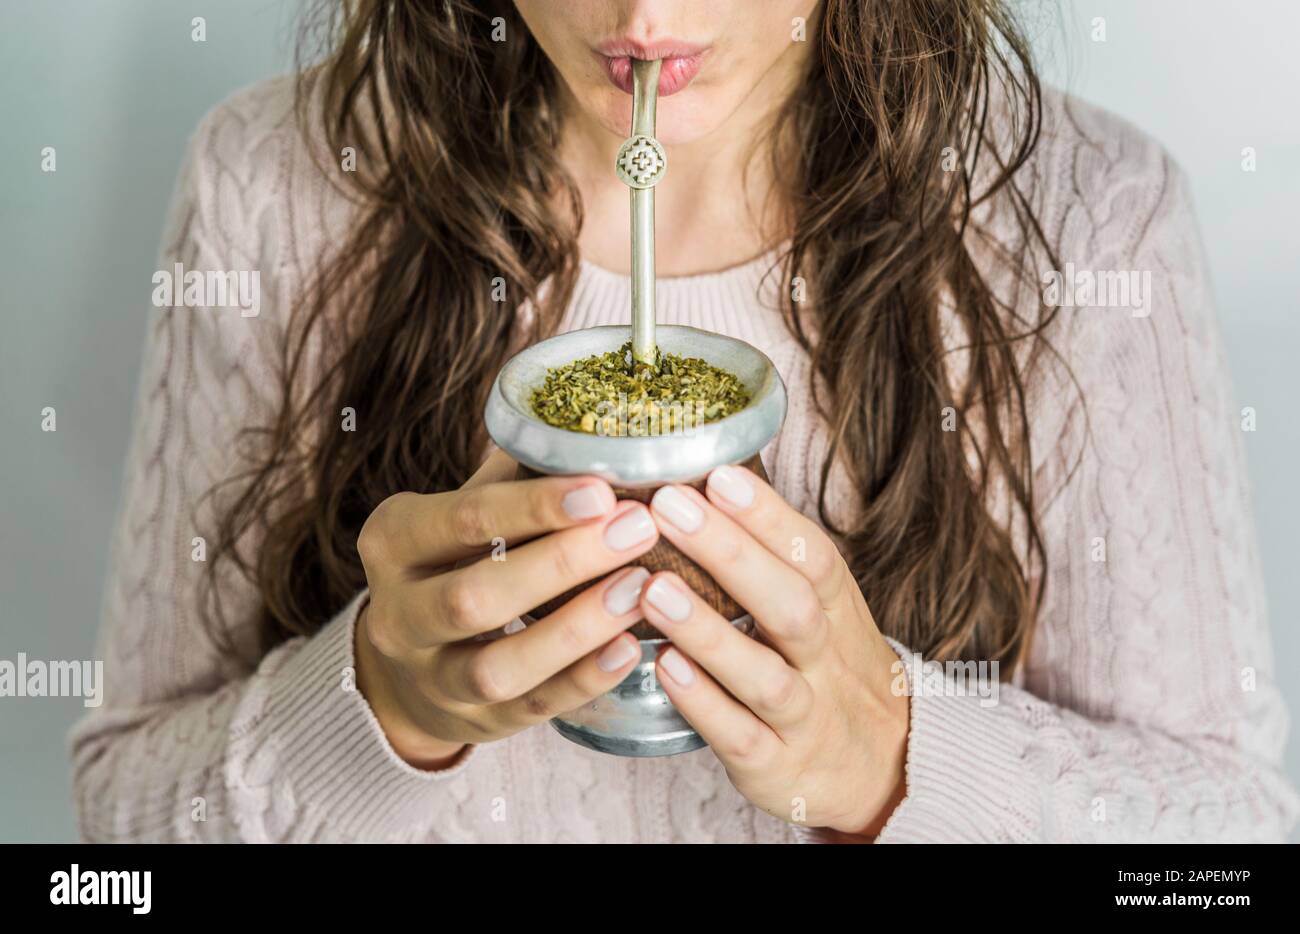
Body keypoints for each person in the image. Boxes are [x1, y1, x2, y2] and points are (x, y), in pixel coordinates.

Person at [71, 0, 1297, 842]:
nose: (643, 15)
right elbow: (108, 855)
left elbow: (1218, 862)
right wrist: (375, 705)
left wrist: (893, 763)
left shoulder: (1088, 229)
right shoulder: (273, 190)